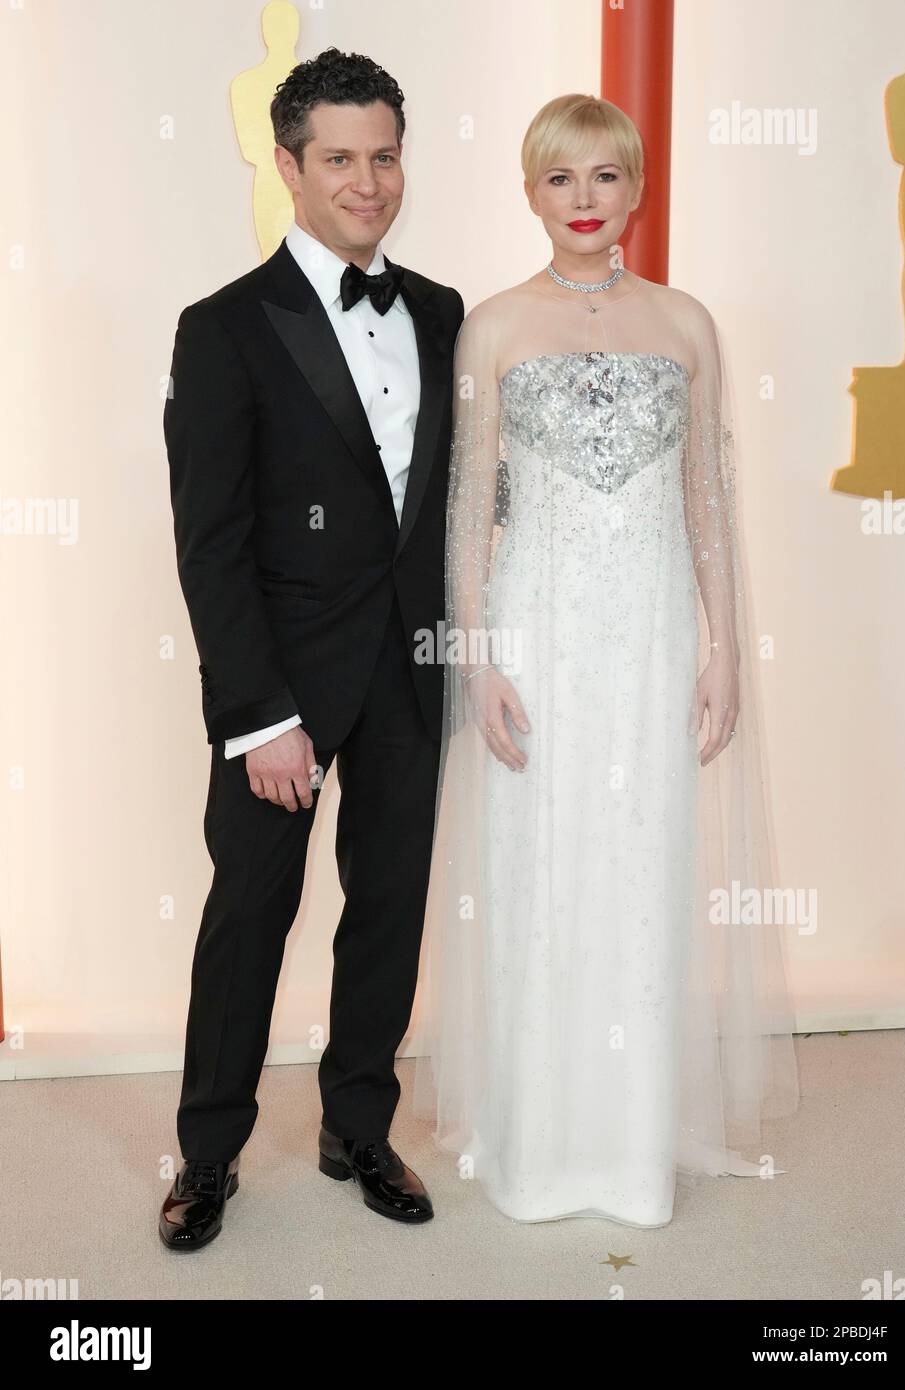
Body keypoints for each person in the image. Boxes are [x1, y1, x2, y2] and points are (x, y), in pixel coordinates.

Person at [414, 93, 800, 1227]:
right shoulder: (488, 325)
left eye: (603, 177)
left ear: (635, 187)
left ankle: (628, 1149)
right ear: (528, 192)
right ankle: (537, 1141)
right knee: (540, 869)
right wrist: (477, 656)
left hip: (648, 635)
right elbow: (464, 510)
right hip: (535, 629)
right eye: (557, 179)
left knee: (639, 870)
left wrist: (725, 647)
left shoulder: (687, 323)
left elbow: (707, 498)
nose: (582, 202)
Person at [159, 48, 463, 1250]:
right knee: (251, 915)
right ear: (287, 166)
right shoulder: (223, 328)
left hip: (410, 667)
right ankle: (207, 1153)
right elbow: (211, 543)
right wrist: (259, 714)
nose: (368, 181)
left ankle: (357, 1124)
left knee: (387, 904)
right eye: (339, 158)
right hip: (278, 686)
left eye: (384, 155)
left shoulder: (440, 311)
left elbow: (451, 501)